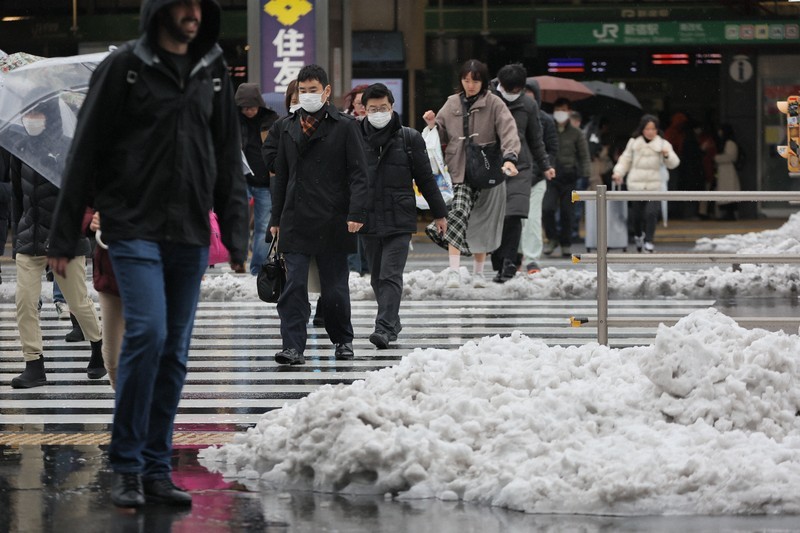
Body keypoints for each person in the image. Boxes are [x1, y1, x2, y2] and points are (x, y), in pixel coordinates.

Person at [48, 0, 248, 509]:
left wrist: (237, 234)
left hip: (189, 232)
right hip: (132, 227)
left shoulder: (212, 70)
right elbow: (85, 149)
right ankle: (127, 464)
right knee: (148, 333)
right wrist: (63, 235)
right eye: (182, 5)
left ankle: (157, 468)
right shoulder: (125, 68)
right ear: (159, 9)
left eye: (198, 5)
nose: (193, 13)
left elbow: (227, 154)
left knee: (174, 351)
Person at [268, 64, 369, 365]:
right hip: (295, 218)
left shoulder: (345, 126)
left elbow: (359, 174)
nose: (307, 95)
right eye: (302, 90)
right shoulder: (286, 126)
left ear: (326, 91)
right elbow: (281, 177)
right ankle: (292, 346)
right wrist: (275, 219)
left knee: (334, 288)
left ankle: (342, 340)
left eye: (313, 90)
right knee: (293, 286)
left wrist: (356, 211)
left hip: (333, 217)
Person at [6, 104, 105, 390]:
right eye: (26, 114)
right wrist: (18, 238)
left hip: (65, 238)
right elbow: (16, 197)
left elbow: (84, 195)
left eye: (36, 114)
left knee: (77, 301)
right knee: (25, 302)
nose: (30, 120)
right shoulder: (18, 148)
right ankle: (33, 365)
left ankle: (97, 346)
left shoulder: (68, 148)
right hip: (30, 237)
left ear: (48, 117)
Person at [357, 83, 447, 348]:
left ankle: (384, 327)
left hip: (399, 216)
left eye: (383, 107)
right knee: (376, 277)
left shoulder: (409, 138)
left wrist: (439, 214)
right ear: (364, 110)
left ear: (392, 106)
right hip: (368, 217)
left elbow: (425, 178)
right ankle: (392, 321)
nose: (378, 113)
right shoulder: (354, 137)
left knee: (390, 274)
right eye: (373, 109)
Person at [422, 59, 520, 288]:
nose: (470, 85)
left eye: (475, 81)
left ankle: (478, 273)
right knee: (458, 213)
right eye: (466, 80)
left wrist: (510, 157)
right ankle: (454, 271)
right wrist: (432, 124)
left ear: (483, 81)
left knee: (483, 221)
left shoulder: (494, 103)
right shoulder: (452, 103)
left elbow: (508, 131)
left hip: (488, 169)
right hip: (459, 170)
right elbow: (440, 134)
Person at [489, 64, 554, 283]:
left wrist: (545, 165)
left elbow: (536, 138)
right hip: (492, 164)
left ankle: (509, 261)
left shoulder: (528, 104)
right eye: (508, 89)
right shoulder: (488, 99)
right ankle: (499, 261)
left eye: (516, 90)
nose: (512, 93)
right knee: (497, 216)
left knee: (514, 214)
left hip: (521, 166)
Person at [612, 114, 680, 252]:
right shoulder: (633, 143)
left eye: (653, 129)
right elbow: (625, 160)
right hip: (636, 185)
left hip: (655, 185)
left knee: (651, 213)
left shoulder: (663, 144)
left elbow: (674, 163)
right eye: (647, 129)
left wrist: (667, 155)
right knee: (637, 215)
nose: (650, 132)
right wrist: (618, 173)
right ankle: (638, 235)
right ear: (642, 129)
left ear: (657, 130)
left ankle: (649, 240)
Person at [235, 82, 278, 275]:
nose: (249, 111)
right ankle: (238, 260)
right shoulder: (233, 119)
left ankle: (258, 269)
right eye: (244, 108)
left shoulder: (271, 120)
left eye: (252, 107)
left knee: (263, 227)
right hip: (240, 178)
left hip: (265, 180)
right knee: (239, 221)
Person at [519, 79, 559, 274]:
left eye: (531, 95)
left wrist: (542, 168)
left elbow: (552, 148)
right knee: (516, 219)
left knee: (533, 219)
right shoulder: (511, 116)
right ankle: (516, 255)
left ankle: (532, 259)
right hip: (515, 176)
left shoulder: (546, 120)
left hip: (537, 178)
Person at [542, 97, 590, 258]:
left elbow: (584, 155)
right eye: (557, 110)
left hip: (570, 177)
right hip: (551, 175)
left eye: (563, 110)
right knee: (547, 209)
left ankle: (566, 243)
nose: (560, 113)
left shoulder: (576, 133)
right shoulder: (548, 129)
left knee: (567, 212)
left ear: (569, 112)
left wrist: (586, 175)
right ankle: (552, 238)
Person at [714, 123, 742, 220]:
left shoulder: (729, 143)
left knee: (727, 192)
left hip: (727, 171)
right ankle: (728, 213)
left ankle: (729, 214)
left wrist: (716, 158)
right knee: (727, 192)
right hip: (725, 171)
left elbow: (731, 157)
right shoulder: (729, 142)